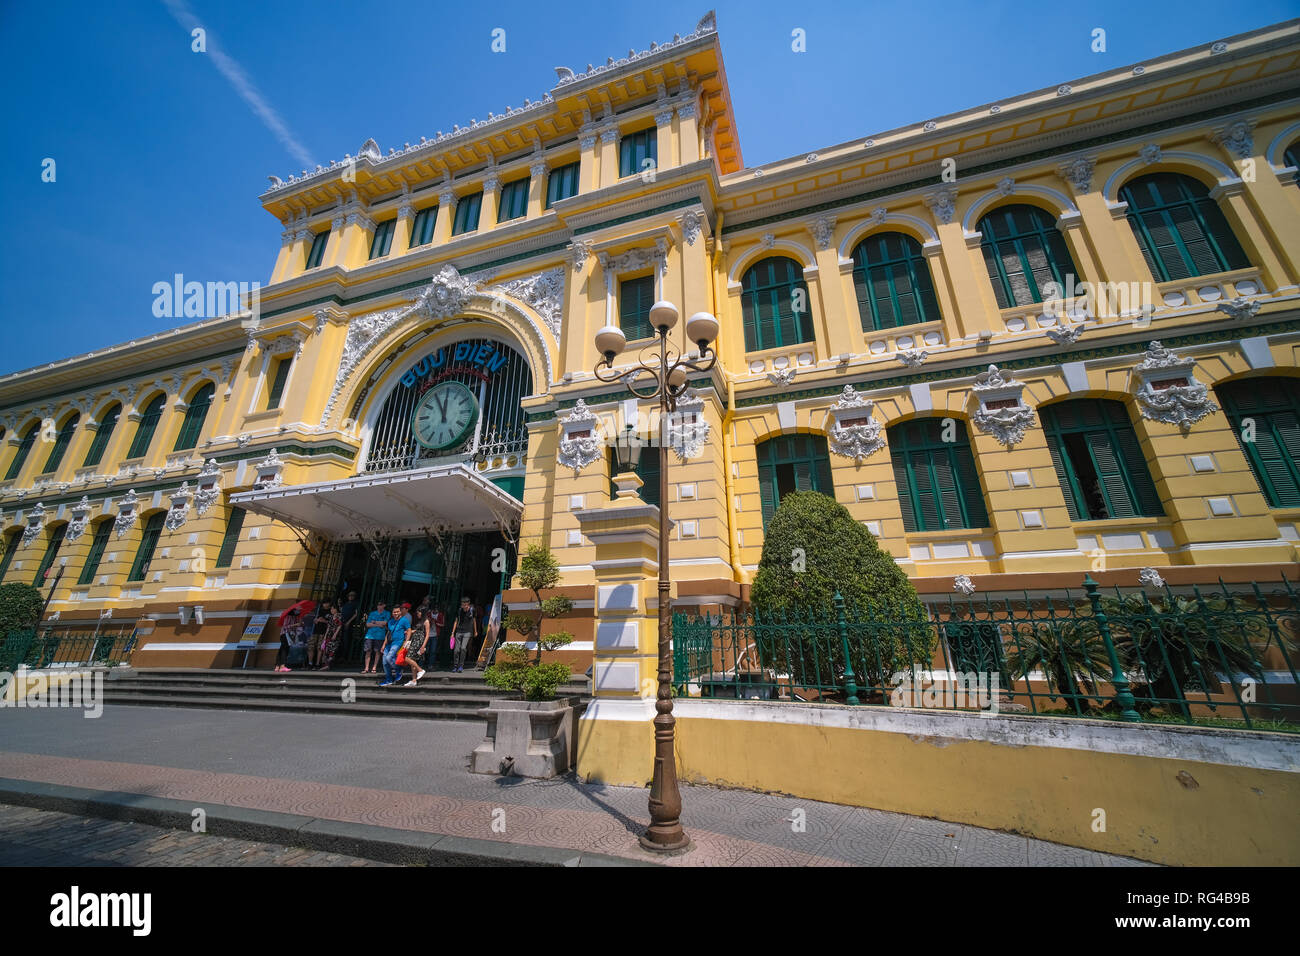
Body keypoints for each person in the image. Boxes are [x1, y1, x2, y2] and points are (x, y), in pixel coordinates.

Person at [380, 603, 412, 687]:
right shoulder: (390, 621)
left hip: (398, 642)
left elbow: (409, 630)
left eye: (397, 612)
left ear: (400, 612)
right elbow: (388, 633)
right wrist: (384, 645)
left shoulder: (404, 620)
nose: (396, 613)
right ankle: (389, 679)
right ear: (392, 613)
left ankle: (398, 670)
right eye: (394, 612)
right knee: (384, 662)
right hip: (389, 643)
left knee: (389, 657)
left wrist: (406, 641)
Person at [401, 607, 430, 687]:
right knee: (412, 660)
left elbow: (427, 634)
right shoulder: (420, 621)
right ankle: (414, 680)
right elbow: (418, 630)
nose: (417, 614)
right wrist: (410, 631)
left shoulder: (426, 621)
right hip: (415, 639)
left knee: (407, 658)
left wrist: (423, 645)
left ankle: (420, 670)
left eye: (418, 613)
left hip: (419, 641)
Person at [452, 595, 478, 673]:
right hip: (459, 631)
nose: (463, 606)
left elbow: (474, 621)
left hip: (467, 632)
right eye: (462, 604)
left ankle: (461, 666)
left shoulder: (472, 610)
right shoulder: (459, 610)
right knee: (456, 650)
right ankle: (455, 666)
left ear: (468, 604)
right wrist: (453, 632)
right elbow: (456, 621)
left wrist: (475, 631)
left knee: (463, 648)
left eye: (464, 604)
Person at [362, 601, 388, 674]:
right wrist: (379, 624)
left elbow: (385, 623)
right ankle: (366, 668)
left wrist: (374, 622)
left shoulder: (387, 613)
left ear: (384, 605)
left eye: (381, 605)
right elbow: (367, 624)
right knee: (368, 651)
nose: (379, 606)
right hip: (370, 635)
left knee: (377, 651)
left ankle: (374, 667)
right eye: (378, 605)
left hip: (380, 636)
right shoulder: (372, 613)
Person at [307, 599, 333, 669]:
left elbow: (332, 623)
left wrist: (324, 621)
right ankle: (310, 663)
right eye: (324, 603)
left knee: (320, 648)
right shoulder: (319, 610)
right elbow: (313, 619)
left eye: (327, 603)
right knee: (311, 647)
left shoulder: (331, 611)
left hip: (324, 631)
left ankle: (318, 663)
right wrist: (316, 620)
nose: (325, 605)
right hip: (315, 630)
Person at [317, 603, 344, 670]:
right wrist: (325, 635)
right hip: (329, 634)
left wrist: (335, 634)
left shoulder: (339, 616)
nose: (331, 610)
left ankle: (328, 665)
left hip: (335, 634)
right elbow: (328, 626)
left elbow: (340, 625)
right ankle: (326, 665)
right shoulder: (331, 617)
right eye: (331, 609)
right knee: (327, 649)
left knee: (333, 649)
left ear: (336, 609)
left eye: (333, 609)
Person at [275, 608, 301, 673]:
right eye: (297, 610)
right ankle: (282, 666)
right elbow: (285, 626)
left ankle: (278, 666)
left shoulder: (295, 618)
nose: (298, 611)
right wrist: (295, 625)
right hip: (285, 635)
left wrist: (299, 623)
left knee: (282, 649)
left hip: (288, 635)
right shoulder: (288, 617)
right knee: (285, 649)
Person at [338, 590, 360, 663]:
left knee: (346, 640)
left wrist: (349, 622)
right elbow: (341, 611)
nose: (351, 596)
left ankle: (344, 656)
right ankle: (339, 655)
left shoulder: (355, 604)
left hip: (349, 623)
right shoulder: (346, 604)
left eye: (352, 595)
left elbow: (356, 614)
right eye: (349, 595)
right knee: (340, 639)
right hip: (342, 622)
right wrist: (339, 604)